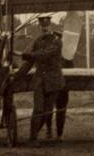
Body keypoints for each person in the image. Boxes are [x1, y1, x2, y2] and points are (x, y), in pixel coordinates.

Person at [21, 15, 66, 144]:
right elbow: (29, 60)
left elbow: (47, 54)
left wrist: (29, 55)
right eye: (42, 26)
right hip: (40, 80)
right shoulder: (37, 41)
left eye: (46, 26)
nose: (44, 28)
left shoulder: (57, 41)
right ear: (40, 27)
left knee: (47, 111)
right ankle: (33, 138)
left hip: (53, 80)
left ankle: (36, 135)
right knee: (38, 109)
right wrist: (18, 75)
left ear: (50, 26)